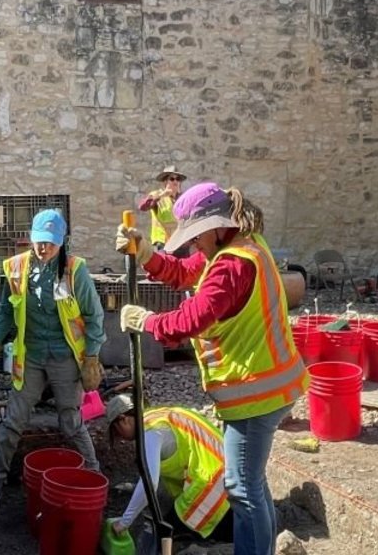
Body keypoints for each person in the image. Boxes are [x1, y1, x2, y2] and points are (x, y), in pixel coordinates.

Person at [115, 182, 307, 555]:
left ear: (217, 227)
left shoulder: (234, 265)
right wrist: (146, 254)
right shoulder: (237, 247)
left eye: (196, 236)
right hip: (267, 385)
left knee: (241, 488)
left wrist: (148, 322)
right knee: (252, 482)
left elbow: (192, 318)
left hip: (257, 392)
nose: (192, 245)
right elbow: (185, 272)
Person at [0, 208, 105, 512]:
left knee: (71, 420)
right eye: (39, 242)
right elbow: (6, 311)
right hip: (30, 355)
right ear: (30, 239)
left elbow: (94, 316)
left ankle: (94, 474)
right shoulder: (17, 268)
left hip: (64, 356)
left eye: (51, 243)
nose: (44, 248)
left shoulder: (74, 270)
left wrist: (91, 357)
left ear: (62, 242)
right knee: (13, 420)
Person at [104, 394, 233, 553]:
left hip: (213, 481)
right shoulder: (158, 416)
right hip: (227, 467)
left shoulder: (151, 432)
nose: (120, 438)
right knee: (224, 524)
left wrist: (124, 522)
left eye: (117, 432)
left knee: (166, 532)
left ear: (124, 419)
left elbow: (149, 482)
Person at [138, 165, 188, 249]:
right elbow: (142, 207)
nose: (175, 181)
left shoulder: (184, 198)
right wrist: (161, 195)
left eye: (178, 179)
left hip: (180, 242)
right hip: (162, 243)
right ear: (165, 182)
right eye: (172, 179)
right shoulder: (156, 195)